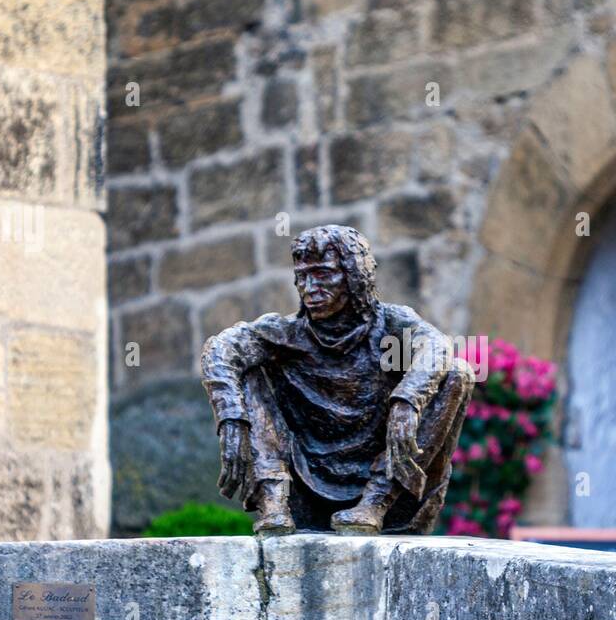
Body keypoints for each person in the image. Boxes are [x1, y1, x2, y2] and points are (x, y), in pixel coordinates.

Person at [200, 224, 473, 535]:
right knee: (246, 364)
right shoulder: (286, 335)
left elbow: (436, 346)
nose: (308, 287)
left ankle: (377, 500)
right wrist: (232, 418)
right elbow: (220, 348)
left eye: (322, 274)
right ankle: (273, 498)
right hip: (304, 481)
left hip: (389, 490)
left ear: (354, 275)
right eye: (302, 276)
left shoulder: (390, 327)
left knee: (456, 374)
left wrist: (408, 400)